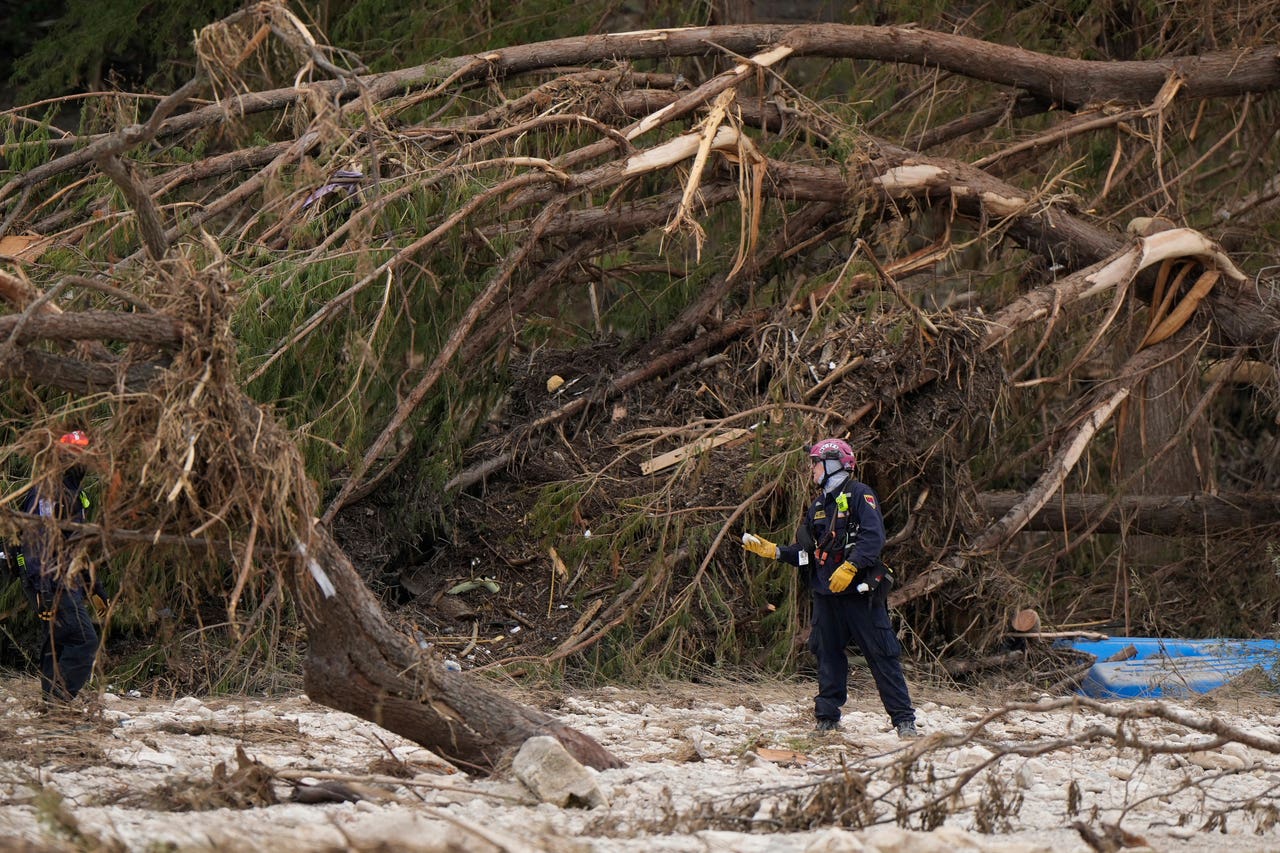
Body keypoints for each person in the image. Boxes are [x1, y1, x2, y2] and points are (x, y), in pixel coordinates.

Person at [742, 438, 918, 738]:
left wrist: (851, 566)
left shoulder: (861, 495)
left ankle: (904, 721)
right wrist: (775, 552)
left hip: (860, 594)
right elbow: (807, 554)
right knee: (827, 654)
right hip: (827, 595)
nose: (812, 470)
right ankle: (827, 719)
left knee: (881, 654)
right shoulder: (819, 506)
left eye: (816, 463)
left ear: (834, 464)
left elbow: (873, 538)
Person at [13, 430, 104, 705]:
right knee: (83, 641)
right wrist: (43, 591)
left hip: (65, 579)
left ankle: (52, 707)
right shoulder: (48, 490)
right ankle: (59, 703)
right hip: (51, 580)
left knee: (58, 643)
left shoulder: (75, 491)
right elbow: (35, 541)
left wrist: (94, 586)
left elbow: (77, 545)